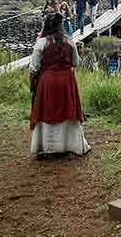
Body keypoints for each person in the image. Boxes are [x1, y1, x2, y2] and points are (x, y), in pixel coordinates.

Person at [29, 14, 90, 156]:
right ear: (60, 26)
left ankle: (48, 147)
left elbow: (33, 68)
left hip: (47, 82)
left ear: (46, 26)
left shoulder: (41, 42)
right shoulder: (69, 41)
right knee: (68, 110)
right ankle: (71, 145)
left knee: (47, 111)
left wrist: (32, 83)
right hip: (66, 81)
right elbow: (76, 63)